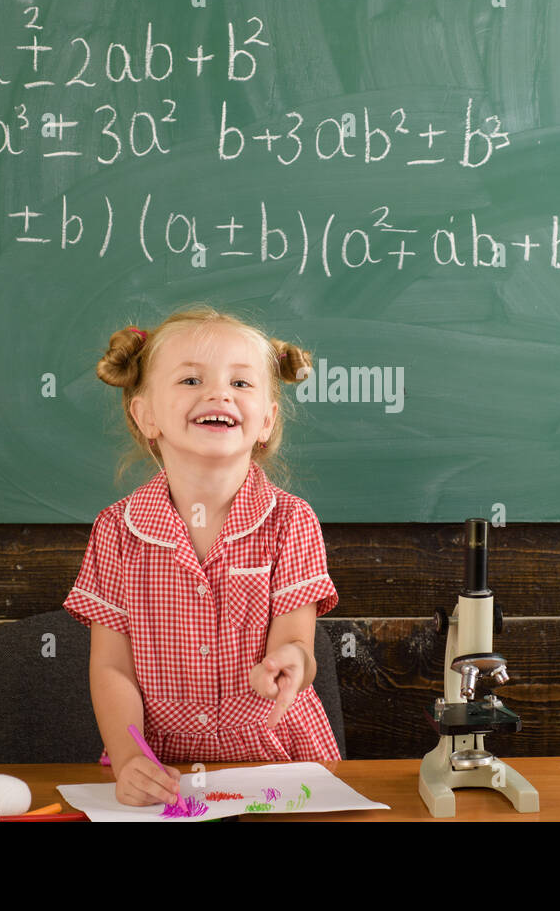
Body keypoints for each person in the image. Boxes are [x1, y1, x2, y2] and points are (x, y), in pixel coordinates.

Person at [62, 305, 340, 807]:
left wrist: (291, 661)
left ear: (267, 420)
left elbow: (297, 641)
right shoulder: (116, 531)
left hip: (277, 759)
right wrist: (129, 758)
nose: (218, 394)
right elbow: (112, 669)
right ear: (144, 414)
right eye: (191, 380)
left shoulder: (292, 521)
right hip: (158, 763)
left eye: (241, 383)